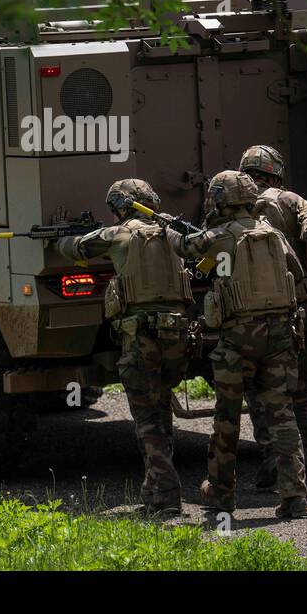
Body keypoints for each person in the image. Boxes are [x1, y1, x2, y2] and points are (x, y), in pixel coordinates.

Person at [166, 170, 307, 518]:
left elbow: (187, 251)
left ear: (219, 201)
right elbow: (296, 270)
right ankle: (294, 495)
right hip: (279, 334)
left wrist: (168, 227)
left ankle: (221, 493)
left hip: (238, 337)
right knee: (282, 414)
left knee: (226, 419)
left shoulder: (219, 235)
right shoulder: (273, 234)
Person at [54, 179, 193, 517]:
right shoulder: (172, 234)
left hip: (141, 339)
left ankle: (167, 499)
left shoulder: (119, 234)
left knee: (147, 421)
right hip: (178, 337)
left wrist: (64, 235)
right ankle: (156, 489)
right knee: (160, 412)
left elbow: (73, 249)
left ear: (121, 205)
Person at [239, 144, 307, 488]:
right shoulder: (292, 201)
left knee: (260, 391)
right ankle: (301, 468)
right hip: (302, 308)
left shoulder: (230, 203)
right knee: (303, 391)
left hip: (251, 312)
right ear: (277, 173)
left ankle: (271, 464)